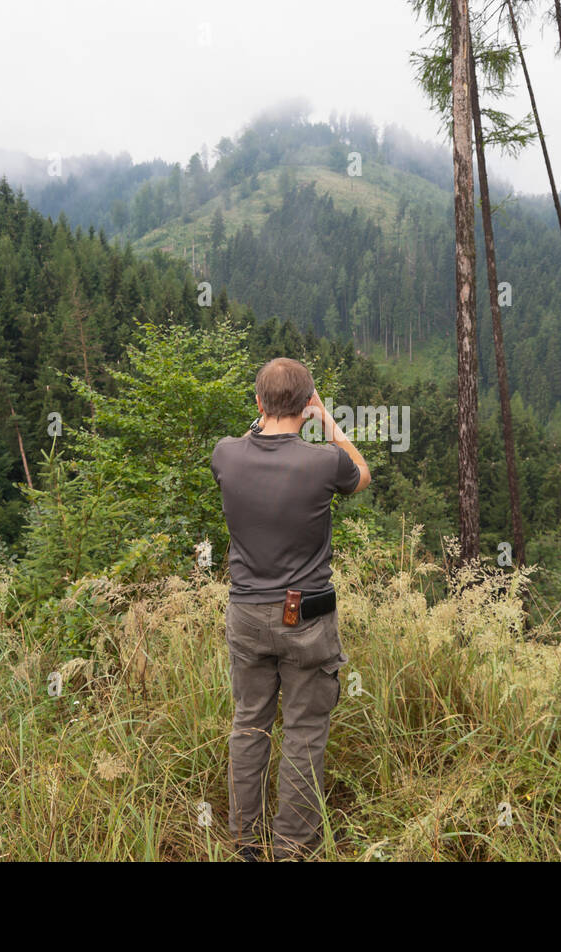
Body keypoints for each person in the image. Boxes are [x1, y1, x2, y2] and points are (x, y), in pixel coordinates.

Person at [210, 357, 371, 860]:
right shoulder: (324, 462)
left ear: (258, 404)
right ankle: (292, 849)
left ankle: (245, 843)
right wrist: (327, 422)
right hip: (306, 618)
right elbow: (362, 474)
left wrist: (266, 416)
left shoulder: (225, 454)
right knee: (304, 732)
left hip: (246, 613)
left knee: (249, 724)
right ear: (307, 405)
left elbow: (249, 438)